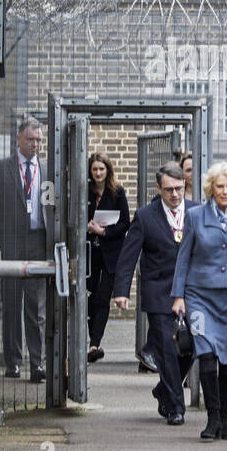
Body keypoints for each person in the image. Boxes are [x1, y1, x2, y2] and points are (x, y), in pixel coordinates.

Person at [171, 162, 227, 441]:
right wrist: (178, 296)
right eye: (220, 186)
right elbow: (183, 257)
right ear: (211, 188)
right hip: (200, 297)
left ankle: (224, 419)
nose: (224, 191)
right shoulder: (195, 216)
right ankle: (211, 417)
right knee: (206, 355)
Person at [112, 162, 202, 424]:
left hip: (192, 292)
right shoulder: (145, 215)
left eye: (179, 189)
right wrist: (122, 291)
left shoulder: (197, 211)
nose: (174, 195)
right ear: (159, 188)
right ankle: (176, 407)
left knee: (192, 346)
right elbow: (129, 256)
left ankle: (164, 389)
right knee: (165, 346)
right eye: (169, 190)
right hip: (159, 291)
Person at [0, 117, 51, 383]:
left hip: (37, 243)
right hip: (9, 244)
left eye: (39, 141)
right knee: (11, 306)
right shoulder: (0, 169)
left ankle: (38, 364)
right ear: (19, 139)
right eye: (31, 139)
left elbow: (51, 208)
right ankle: (13, 362)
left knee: (37, 308)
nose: (35, 145)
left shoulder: (47, 171)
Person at [86, 152, 129, 363]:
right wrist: (89, 228)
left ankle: (95, 343)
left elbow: (125, 223)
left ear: (108, 170)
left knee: (103, 297)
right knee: (91, 297)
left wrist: (104, 231)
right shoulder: (85, 192)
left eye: (101, 169)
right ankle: (91, 341)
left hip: (112, 253)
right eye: (94, 169)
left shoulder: (117, 192)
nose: (98, 173)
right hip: (91, 252)